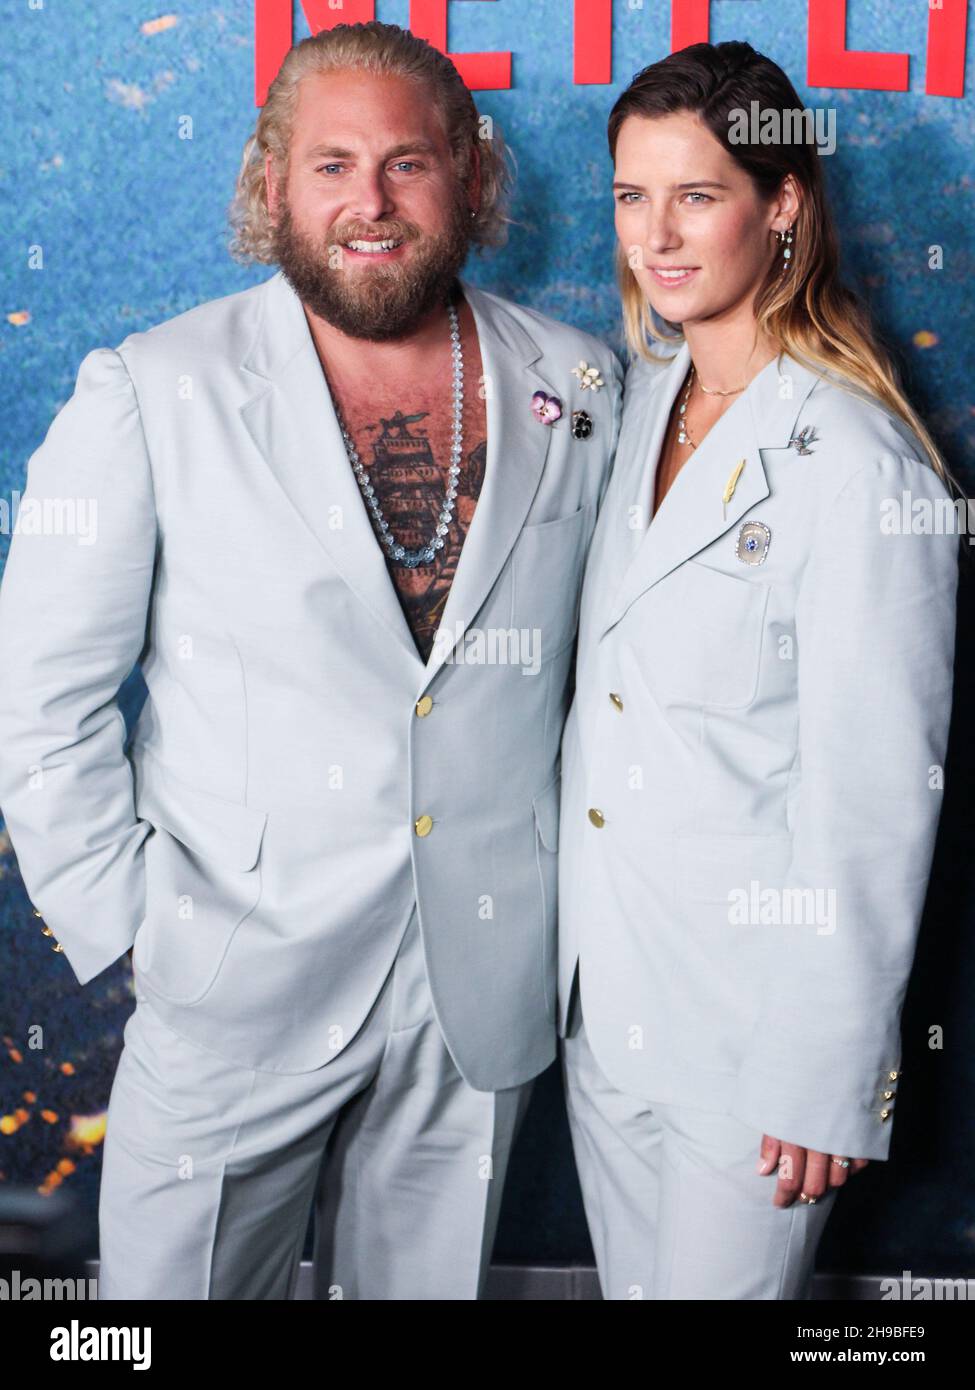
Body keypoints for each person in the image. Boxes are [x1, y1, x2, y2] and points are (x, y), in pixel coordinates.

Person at [0, 21, 622, 1300]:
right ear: (271, 182)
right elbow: (40, 698)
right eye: (331, 166)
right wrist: (139, 931)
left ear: (469, 175)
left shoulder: (580, 379)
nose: (371, 203)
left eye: (408, 162)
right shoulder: (152, 388)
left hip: (476, 983)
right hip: (233, 979)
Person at [558, 41, 959, 1300]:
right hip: (609, 1006)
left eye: (697, 195)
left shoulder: (857, 462)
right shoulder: (642, 400)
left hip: (754, 1040)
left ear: (782, 204)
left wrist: (828, 1066)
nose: (656, 235)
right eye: (632, 196)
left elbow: (876, 791)